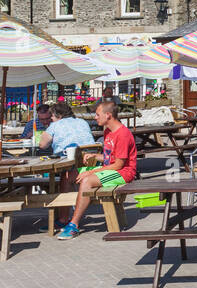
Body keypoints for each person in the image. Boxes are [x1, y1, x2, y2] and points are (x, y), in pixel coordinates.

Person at [57, 99, 136, 240]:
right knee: (68, 174)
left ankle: (73, 225)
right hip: (111, 168)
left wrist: (91, 171)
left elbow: (118, 165)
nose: (95, 117)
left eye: (98, 114)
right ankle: (63, 219)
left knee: (87, 181)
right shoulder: (108, 131)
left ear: (108, 115)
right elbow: (109, 158)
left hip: (124, 173)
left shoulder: (122, 134)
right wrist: (95, 156)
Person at [39, 101, 96, 192]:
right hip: (92, 162)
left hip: (74, 162)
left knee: (66, 172)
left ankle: (63, 203)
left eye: (52, 116)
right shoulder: (82, 121)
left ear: (59, 115)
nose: (51, 119)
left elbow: (42, 145)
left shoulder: (55, 125)